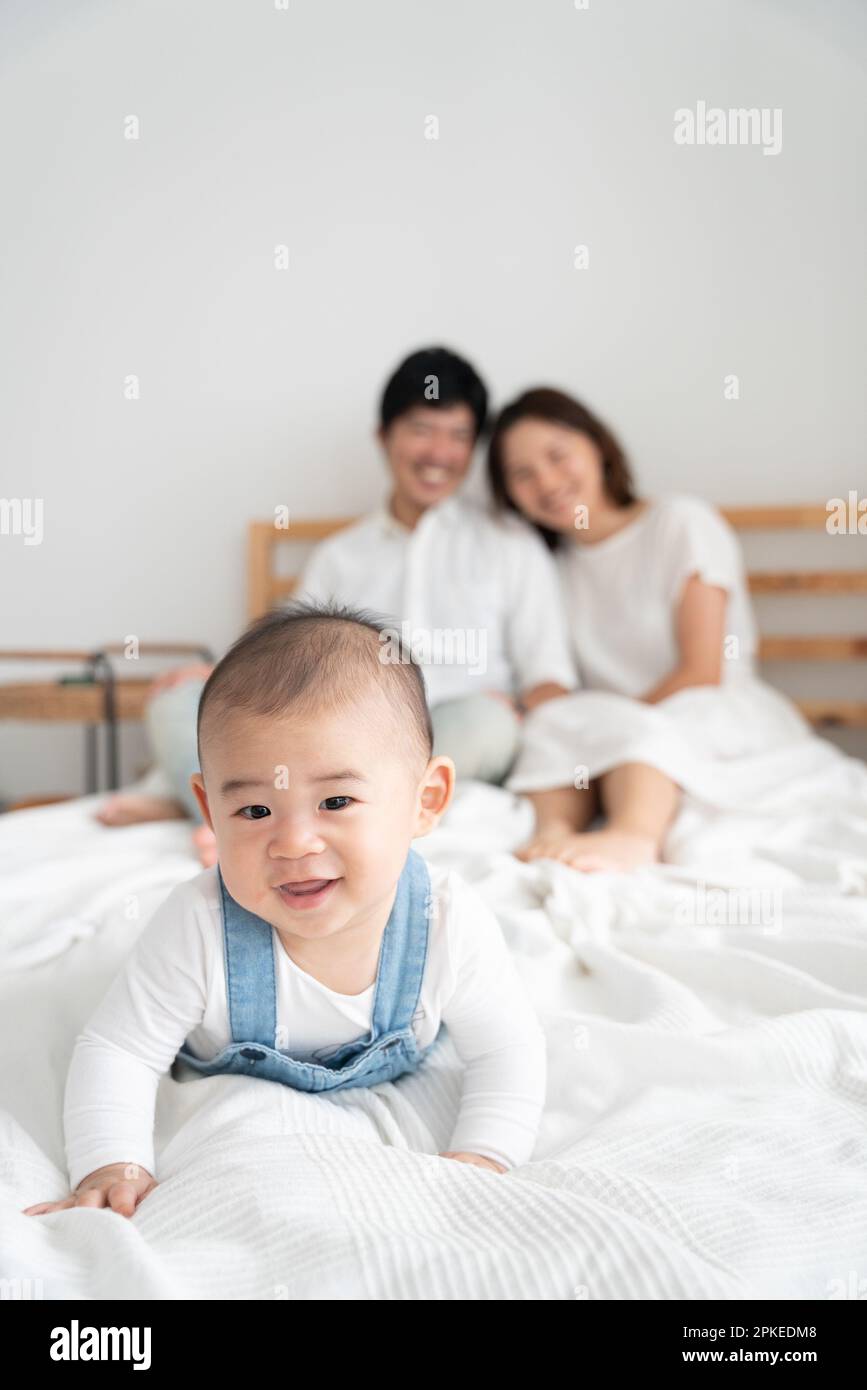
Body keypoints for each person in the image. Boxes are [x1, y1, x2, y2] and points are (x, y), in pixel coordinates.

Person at [24, 604, 547, 1220]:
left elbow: (508, 1050)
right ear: (210, 812)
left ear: (424, 802)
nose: (295, 843)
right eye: (254, 811)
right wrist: (113, 1162)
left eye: (336, 800)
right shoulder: (197, 925)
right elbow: (119, 1050)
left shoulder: (447, 923)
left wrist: (484, 1155)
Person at [97, 348, 576, 867]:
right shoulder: (340, 556)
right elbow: (279, 660)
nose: (439, 452)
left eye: (459, 436)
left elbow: (549, 674)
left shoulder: (511, 544)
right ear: (384, 436)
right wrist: (216, 674)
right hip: (340, 741)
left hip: (458, 727)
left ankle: (206, 811)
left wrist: (521, 710)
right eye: (421, 429)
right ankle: (215, 820)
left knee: (490, 724)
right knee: (177, 697)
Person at [486, 387, 812, 872]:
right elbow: (552, 674)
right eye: (523, 474)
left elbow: (702, 668)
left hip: (705, 704)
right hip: (613, 721)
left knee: (634, 730)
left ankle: (632, 837)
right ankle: (554, 828)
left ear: (597, 446)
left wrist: (613, 725)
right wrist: (521, 707)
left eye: (558, 456)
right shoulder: (547, 566)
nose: (547, 481)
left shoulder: (681, 523)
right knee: (552, 725)